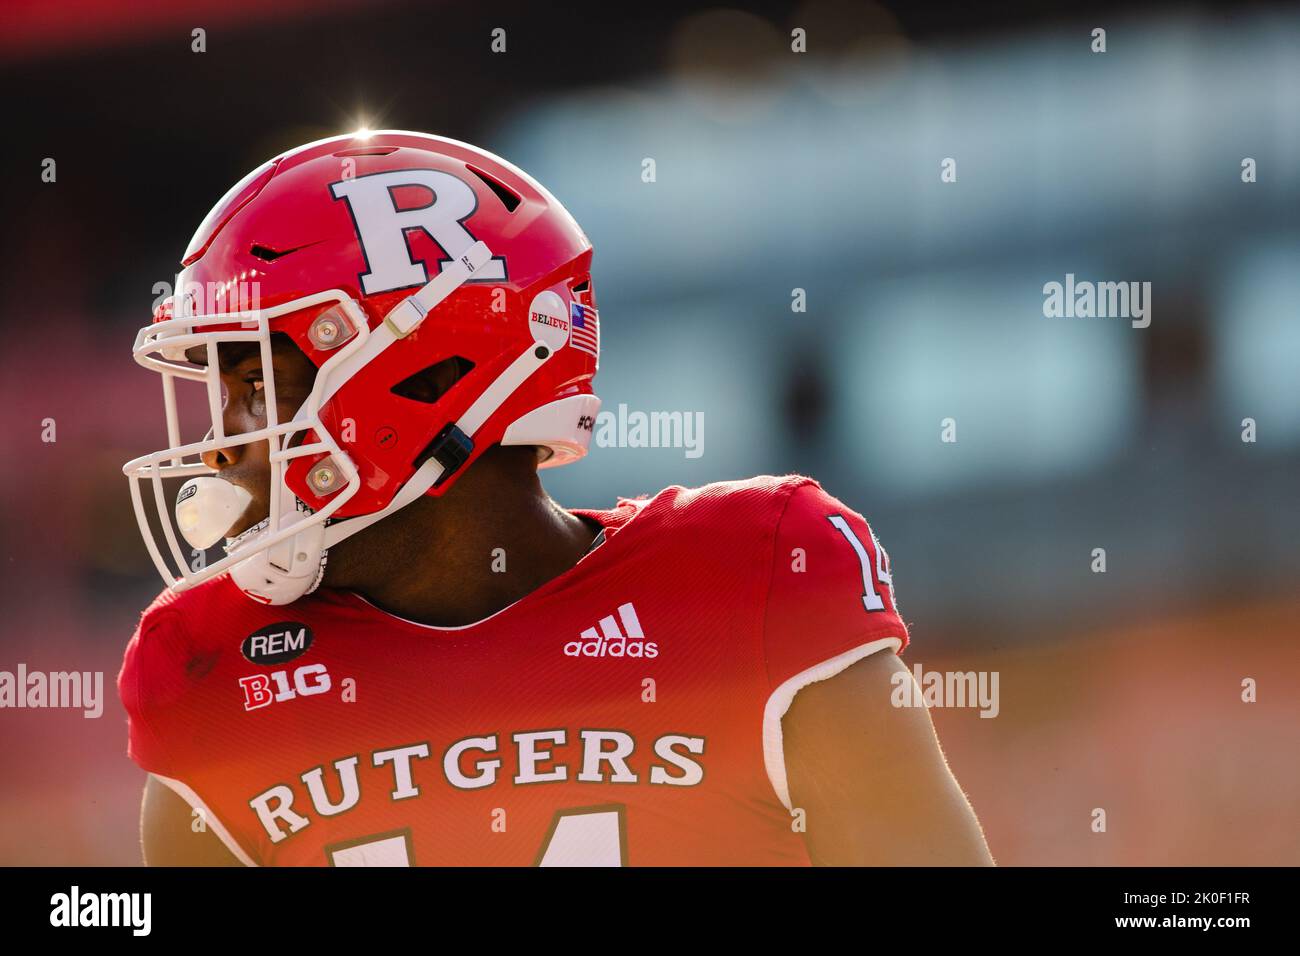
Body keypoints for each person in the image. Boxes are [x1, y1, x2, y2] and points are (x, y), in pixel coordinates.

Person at [119, 131, 993, 866]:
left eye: (253, 383)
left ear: (418, 368)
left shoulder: (753, 579)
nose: (229, 438)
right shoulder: (212, 678)